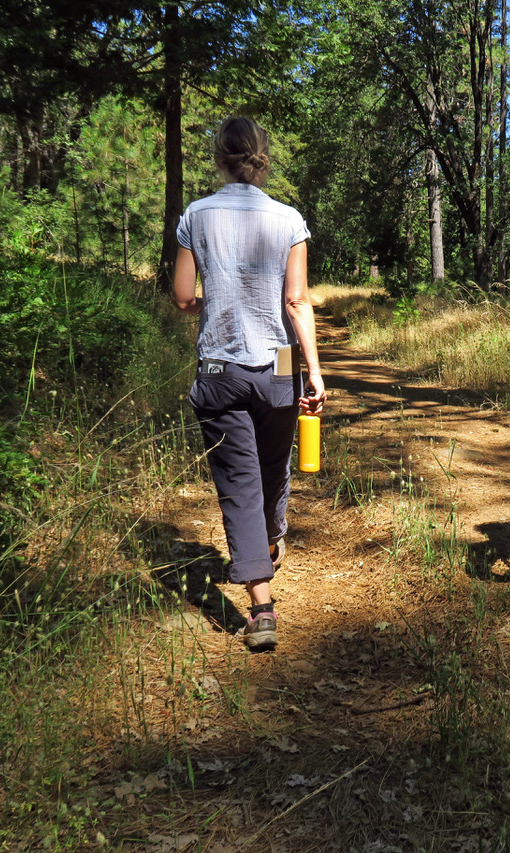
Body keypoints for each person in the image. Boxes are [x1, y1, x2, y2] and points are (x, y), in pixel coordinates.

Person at [173, 116, 326, 651]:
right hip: (280, 363)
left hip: (219, 368)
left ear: (220, 156)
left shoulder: (196, 215)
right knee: (273, 463)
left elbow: (183, 296)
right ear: (263, 156)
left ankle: (260, 607)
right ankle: (271, 537)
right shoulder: (288, 219)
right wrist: (314, 369)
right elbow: (296, 301)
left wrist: (212, 301)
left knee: (239, 481)